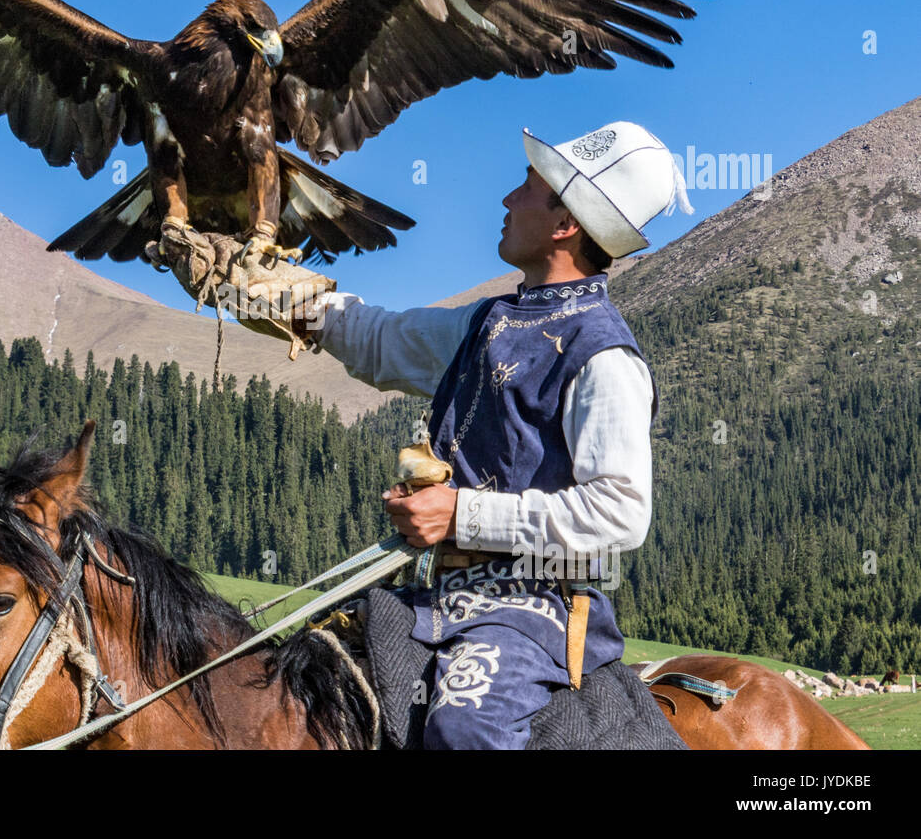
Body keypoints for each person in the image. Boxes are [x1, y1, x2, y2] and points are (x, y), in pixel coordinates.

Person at [295, 120, 692, 749]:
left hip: (532, 607)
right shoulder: (489, 322)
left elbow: (621, 514)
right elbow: (380, 339)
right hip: (434, 592)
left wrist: (460, 513)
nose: (508, 200)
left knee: (463, 729)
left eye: (527, 188)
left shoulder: (603, 354)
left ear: (566, 224)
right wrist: (262, 292)